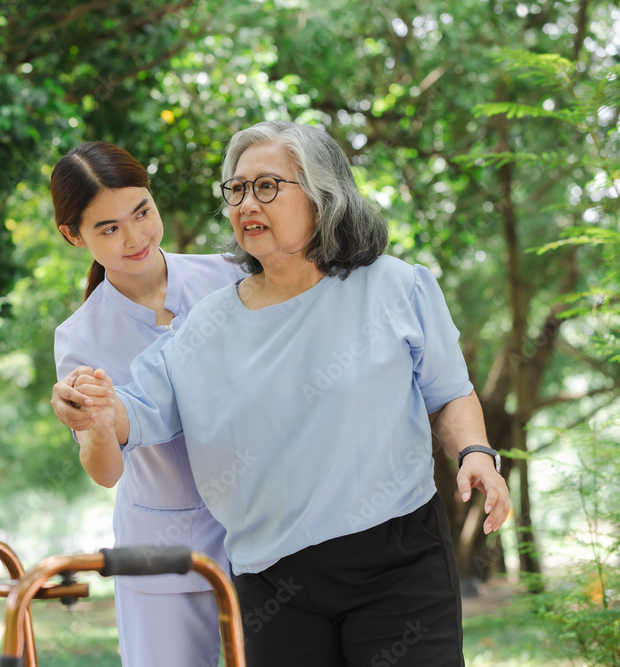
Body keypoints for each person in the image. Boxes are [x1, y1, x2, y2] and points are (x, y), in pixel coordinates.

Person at [55, 121, 511, 666]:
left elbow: (448, 393)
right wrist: (99, 412)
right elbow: (137, 410)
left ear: (322, 196)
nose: (248, 202)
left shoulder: (397, 286)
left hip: (397, 559)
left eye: (267, 186)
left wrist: (475, 451)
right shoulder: (206, 325)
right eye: (237, 189)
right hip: (272, 581)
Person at [49, 141, 243, 667]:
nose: (135, 237)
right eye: (108, 228)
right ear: (73, 235)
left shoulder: (232, 277)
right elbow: (106, 472)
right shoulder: (79, 338)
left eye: (142, 213)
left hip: (261, 535)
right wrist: (96, 424)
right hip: (163, 553)